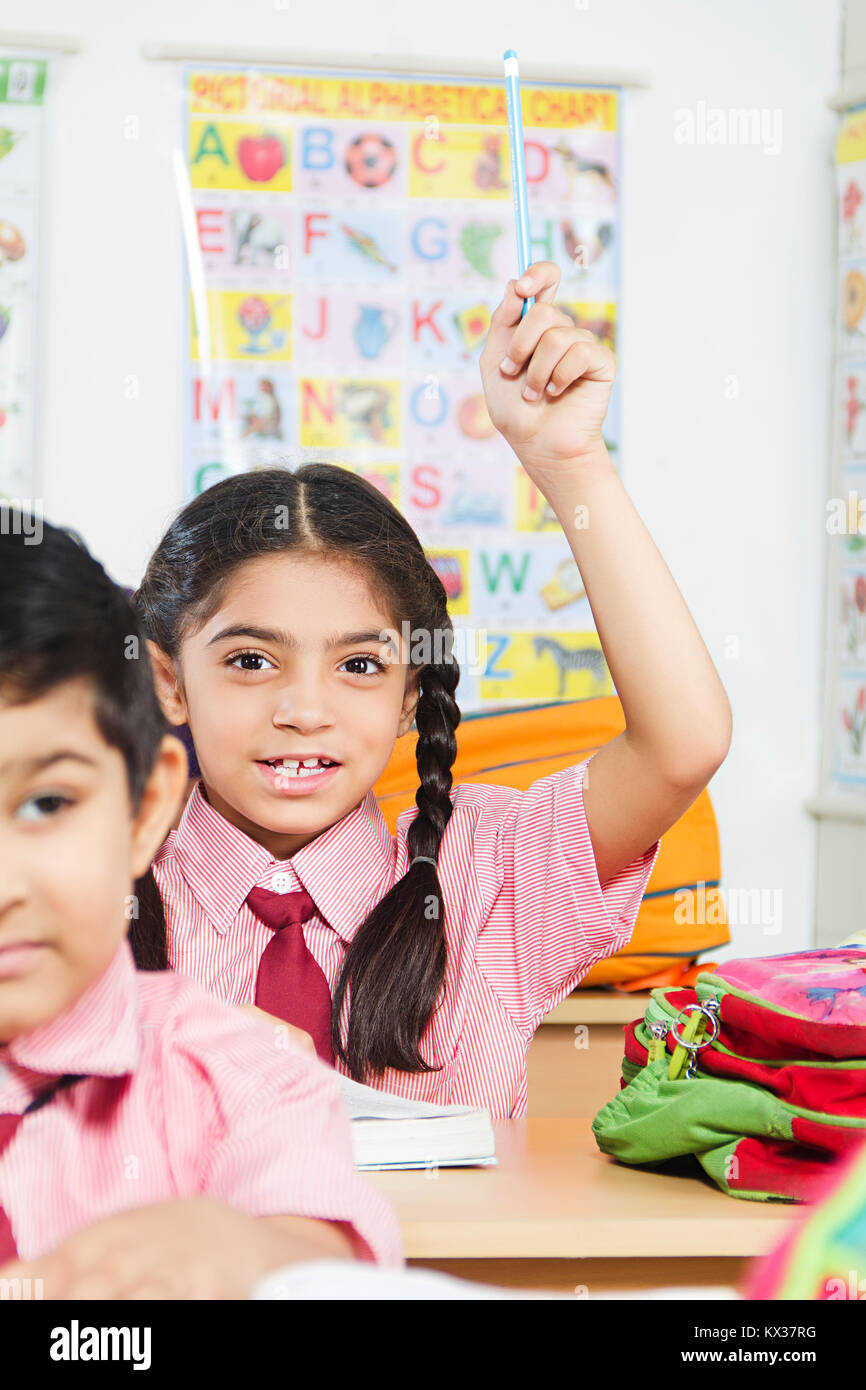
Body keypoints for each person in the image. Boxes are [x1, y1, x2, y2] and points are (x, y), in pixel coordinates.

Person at [132, 260, 732, 1117]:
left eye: (360, 666)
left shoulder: (487, 870)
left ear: (412, 692)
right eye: (252, 661)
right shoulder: (97, 876)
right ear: (170, 680)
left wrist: (573, 467)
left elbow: (685, 745)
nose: (304, 711)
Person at [0, 520, 402, 1297]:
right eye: (254, 660)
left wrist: (247, 1251)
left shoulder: (237, 1079)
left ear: (147, 806)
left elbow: (321, 1249)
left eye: (48, 802)